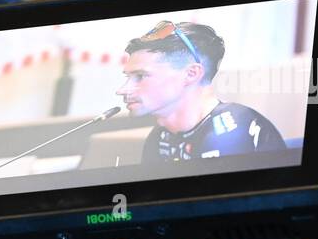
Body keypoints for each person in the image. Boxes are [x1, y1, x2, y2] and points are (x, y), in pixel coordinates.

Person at [115, 20, 286, 163]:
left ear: (191, 74)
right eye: (128, 77)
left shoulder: (229, 133)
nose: (122, 90)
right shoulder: (159, 136)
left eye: (141, 76)